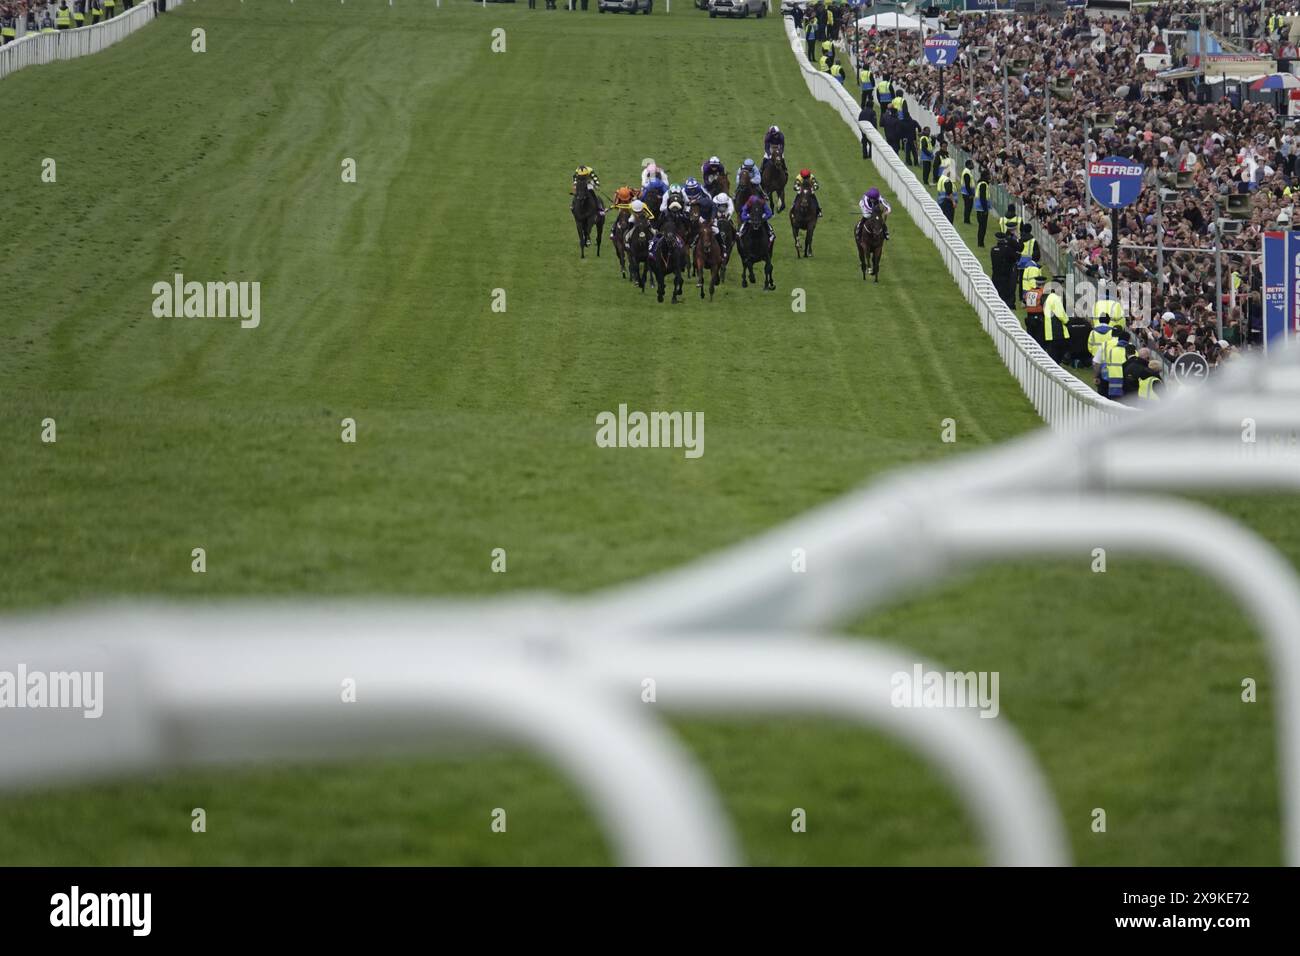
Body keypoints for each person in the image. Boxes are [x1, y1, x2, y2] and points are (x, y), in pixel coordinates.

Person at [1042, 281, 1071, 363]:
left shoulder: (1049, 298)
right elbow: (1060, 313)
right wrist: (1067, 321)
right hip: (1057, 330)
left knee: (1052, 353)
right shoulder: (1055, 299)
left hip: (1050, 331)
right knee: (1057, 355)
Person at [974, 168, 991, 246]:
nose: (990, 177)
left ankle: (980, 242)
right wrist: (985, 209)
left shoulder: (981, 183)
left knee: (981, 227)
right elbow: (983, 197)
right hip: (982, 209)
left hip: (979, 208)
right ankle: (980, 243)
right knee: (982, 227)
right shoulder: (983, 184)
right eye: (988, 175)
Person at [960, 160, 976, 225]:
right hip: (967, 193)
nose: (973, 165)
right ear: (969, 165)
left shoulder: (967, 172)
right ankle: (966, 220)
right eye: (972, 164)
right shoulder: (967, 173)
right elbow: (967, 184)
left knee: (968, 207)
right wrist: (971, 194)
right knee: (968, 207)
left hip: (966, 192)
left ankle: (967, 220)